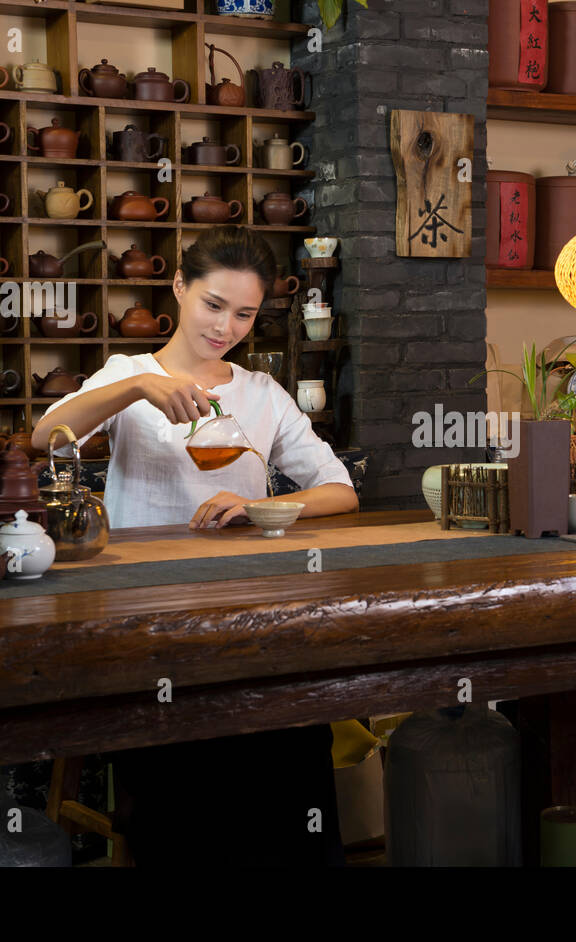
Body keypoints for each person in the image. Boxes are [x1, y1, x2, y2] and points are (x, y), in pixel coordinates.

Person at [32, 226, 358, 866]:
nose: (226, 327)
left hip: (247, 606)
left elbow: (339, 491)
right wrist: (136, 389)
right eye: (213, 305)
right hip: (145, 610)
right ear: (179, 288)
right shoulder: (129, 375)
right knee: (181, 765)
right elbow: (47, 437)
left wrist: (259, 506)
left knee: (292, 731)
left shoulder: (261, 393)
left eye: (244, 313)